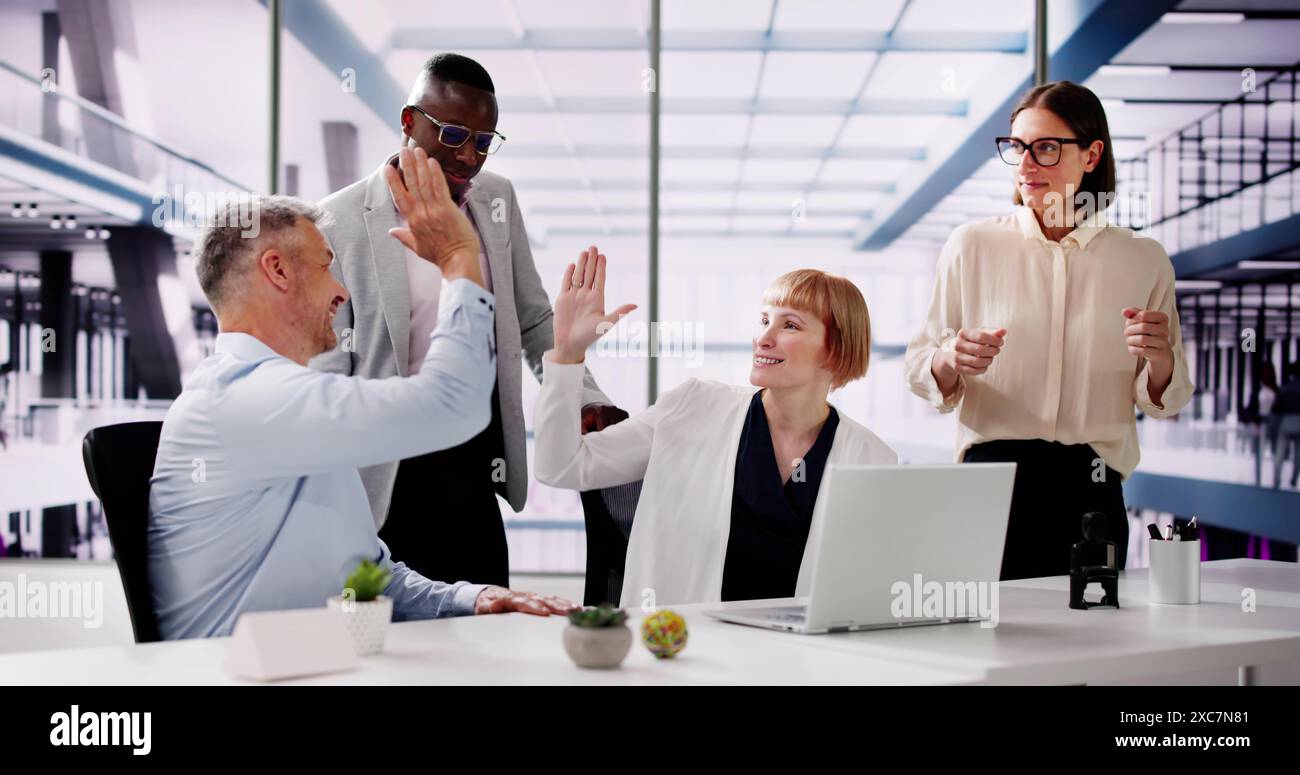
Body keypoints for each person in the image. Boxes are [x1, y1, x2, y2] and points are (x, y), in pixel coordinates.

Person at [148, 148, 574, 639]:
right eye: (326, 266)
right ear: (278, 271)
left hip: (314, 667)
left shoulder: (300, 411)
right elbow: (451, 406)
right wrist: (458, 260)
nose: (343, 291)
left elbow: (375, 580)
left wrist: (474, 597)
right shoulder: (243, 400)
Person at [311, 53, 620, 588]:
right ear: (409, 122)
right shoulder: (337, 219)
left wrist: (584, 397)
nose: (468, 155)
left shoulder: (496, 200)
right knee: (394, 642)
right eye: (454, 133)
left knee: (485, 617)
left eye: (484, 140)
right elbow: (328, 362)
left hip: (474, 453)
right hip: (387, 465)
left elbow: (531, 317)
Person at [904, 81, 1193, 580]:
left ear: (1091, 154)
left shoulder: (1143, 261)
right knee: (982, 640)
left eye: (1046, 148)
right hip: (990, 483)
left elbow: (1163, 398)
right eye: (1017, 147)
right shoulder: (972, 245)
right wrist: (951, 357)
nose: (1026, 164)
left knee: (1092, 644)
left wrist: (1161, 360)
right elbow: (919, 365)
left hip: (1092, 489)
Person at [534, 252, 896, 607]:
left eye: (790, 325)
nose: (763, 338)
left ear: (834, 350)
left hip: (801, 657)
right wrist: (567, 354)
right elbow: (562, 466)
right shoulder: (694, 406)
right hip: (688, 648)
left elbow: (871, 585)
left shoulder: (870, 459)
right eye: (764, 320)